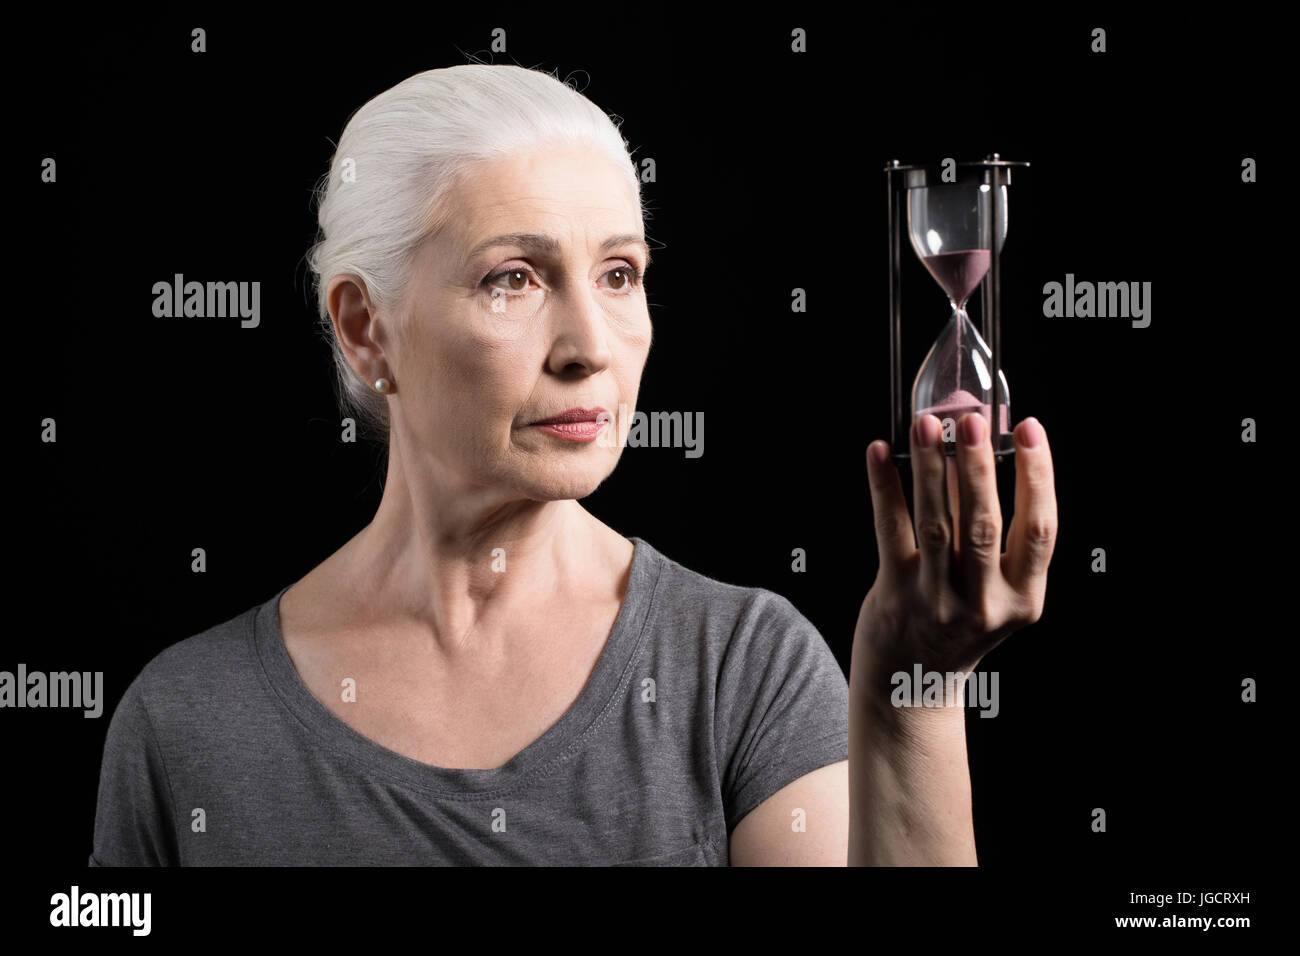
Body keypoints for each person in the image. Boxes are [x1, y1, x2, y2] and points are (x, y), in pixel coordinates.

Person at [90, 64, 1056, 866]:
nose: (590, 345)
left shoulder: (742, 667)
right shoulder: (185, 723)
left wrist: (915, 690)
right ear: (364, 327)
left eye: (619, 274)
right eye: (514, 276)